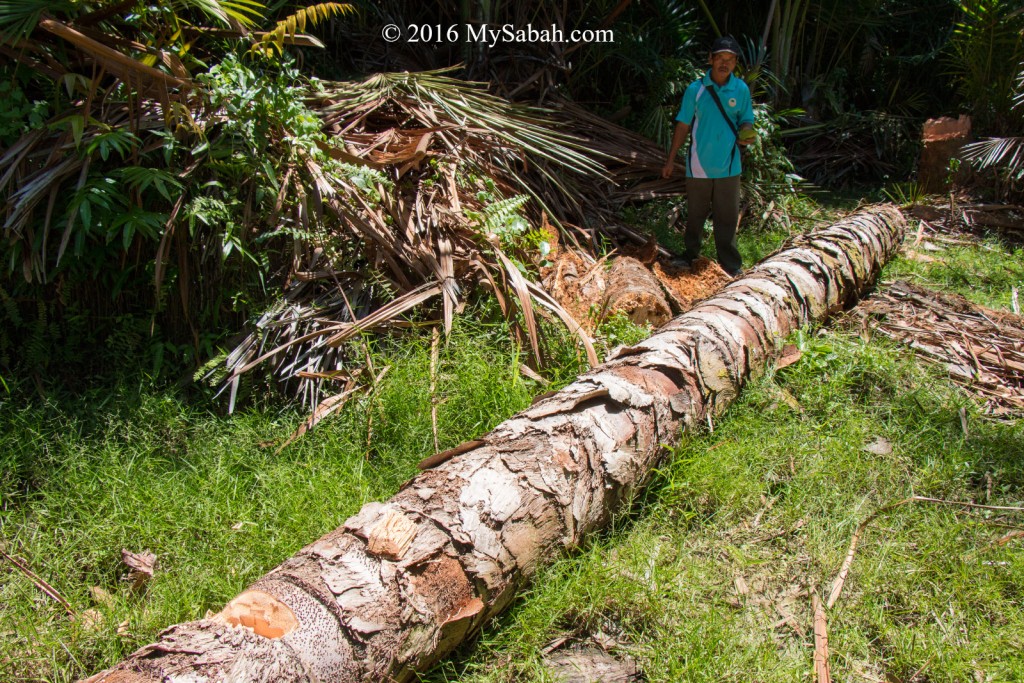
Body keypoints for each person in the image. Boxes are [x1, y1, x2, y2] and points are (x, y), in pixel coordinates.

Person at [660, 36, 755, 277]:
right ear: (711, 59)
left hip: (729, 164)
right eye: (721, 58)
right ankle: (691, 255)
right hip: (699, 165)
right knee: (696, 214)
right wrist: (671, 159)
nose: (725, 63)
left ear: (735, 64)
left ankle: (730, 265)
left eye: (731, 60)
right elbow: (683, 125)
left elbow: (746, 118)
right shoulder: (696, 89)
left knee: (727, 216)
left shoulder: (740, 89)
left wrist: (746, 132)